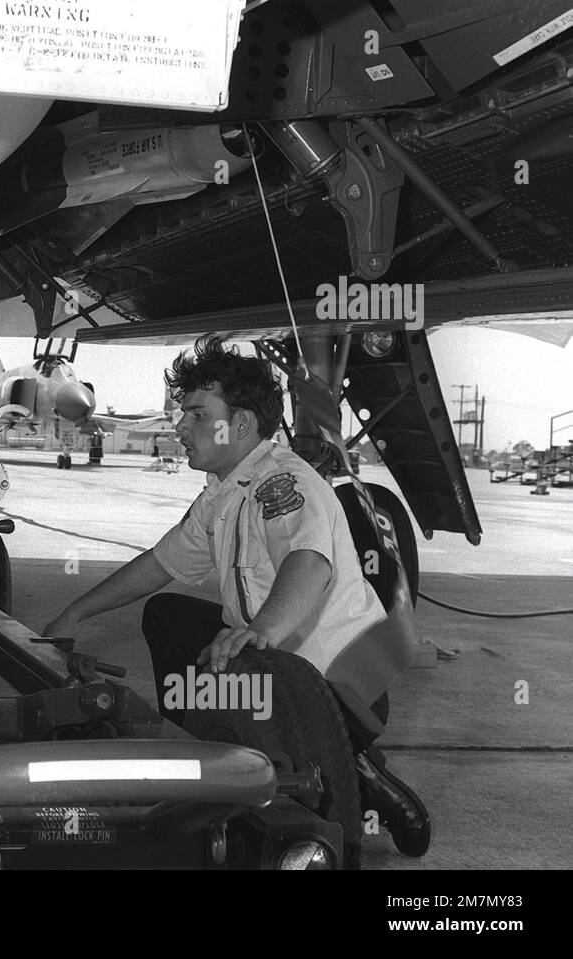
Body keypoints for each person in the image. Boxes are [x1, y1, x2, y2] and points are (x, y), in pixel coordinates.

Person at [44, 335, 430, 857]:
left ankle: (355, 771)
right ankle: (202, 749)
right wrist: (76, 612)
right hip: (272, 665)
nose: (180, 426)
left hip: (335, 677)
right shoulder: (223, 493)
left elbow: (308, 562)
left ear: (241, 424)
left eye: (197, 414)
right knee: (168, 615)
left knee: (315, 830)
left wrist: (261, 630)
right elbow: (160, 565)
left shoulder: (281, 482)